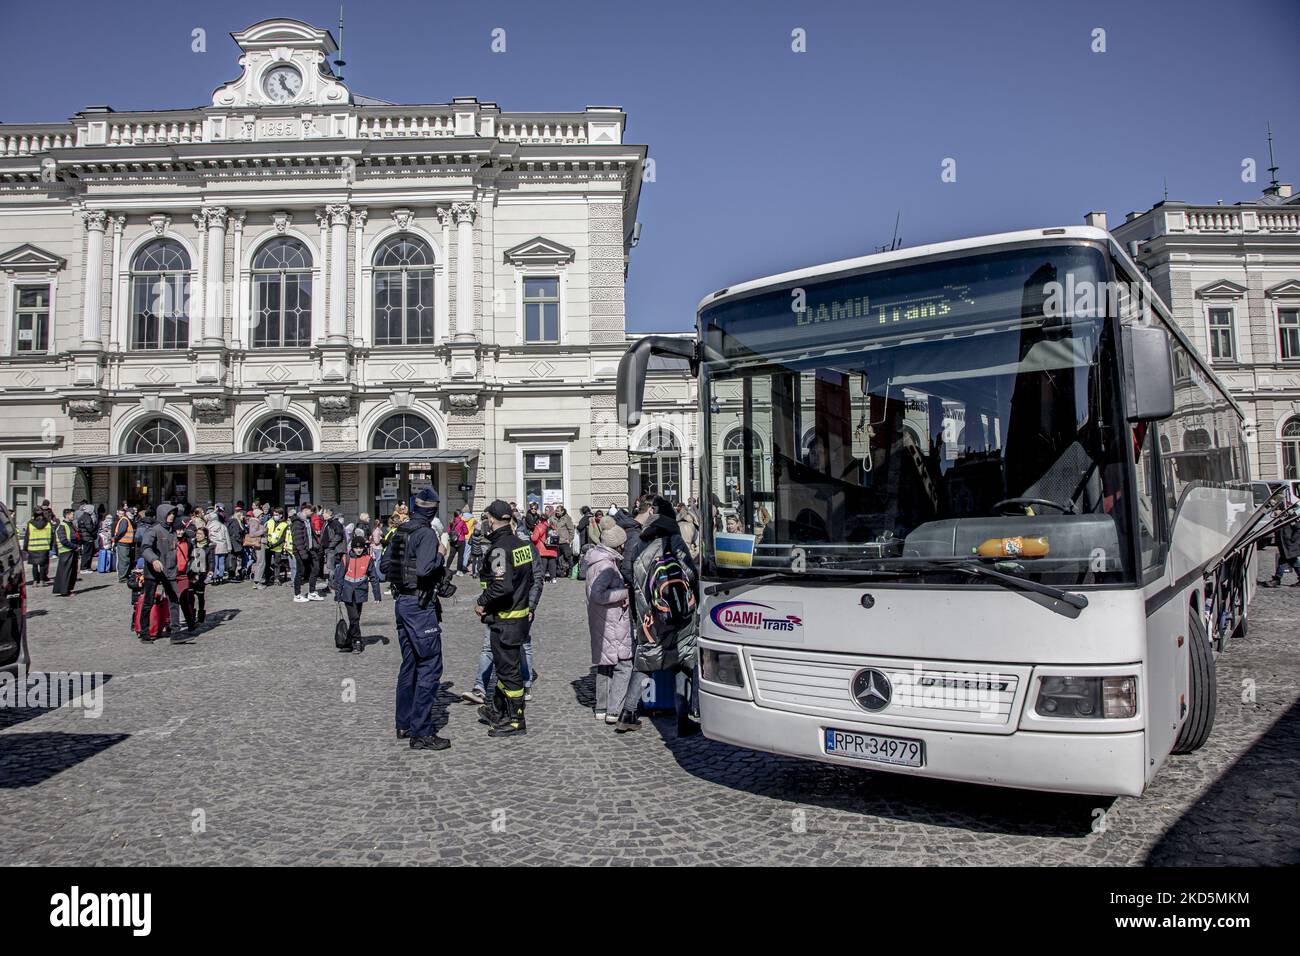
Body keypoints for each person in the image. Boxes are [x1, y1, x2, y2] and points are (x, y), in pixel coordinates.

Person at [617, 496, 701, 738]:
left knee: (646, 660)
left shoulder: (640, 545)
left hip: (649, 616)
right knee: (686, 660)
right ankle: (688, 716)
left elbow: (631, 577)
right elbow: (690, 574)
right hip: (678, 614)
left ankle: (627, 714)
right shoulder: (673, 541)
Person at [381, 491, 449, 751]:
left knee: (409, 663)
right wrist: (440, 554)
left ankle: (404, 722)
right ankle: (422, 731)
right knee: (430, 666)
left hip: (402, 603)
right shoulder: (426, 534)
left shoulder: (400, 532)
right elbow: (424, 569)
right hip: (420, 606)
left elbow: (384, 566)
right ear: (432, 511)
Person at [475, 499, 536, 738]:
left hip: (506, 619)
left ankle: (515, 721)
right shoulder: (520, 544)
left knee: (509, 672)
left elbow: (501, 586)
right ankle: (499, 711)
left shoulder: (500, 548)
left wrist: (482, 601)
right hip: (518, 616)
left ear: (491, 520)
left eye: (487, 519)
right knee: (505, 669)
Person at [584, 523, 633, 724]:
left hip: (601, 619)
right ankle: (614, 710)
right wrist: (624, 593)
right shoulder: (606, 565)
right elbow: (598, 594)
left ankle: (602, 708)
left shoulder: (597, 560)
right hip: (612, 621)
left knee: (605, 664)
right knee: (624, 664)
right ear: (617, 545)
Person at [135, 504, 197, 642]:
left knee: (174, 600)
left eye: (173, 514)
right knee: (148, 601)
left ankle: (175, 633)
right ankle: (145, 632)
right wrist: (154, 560)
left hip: (170, 570)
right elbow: (145, 548)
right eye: (169, 514)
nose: (172, 516)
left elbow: (191, 532)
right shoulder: (154, 530)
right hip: (153, 571)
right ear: (162, 514)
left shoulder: (173, 530)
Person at [333, 532, 382, 654]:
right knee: (354, 617)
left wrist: (377, 595)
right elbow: (339, 578)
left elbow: (374, 577)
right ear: (352, 548)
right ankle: (357, 642)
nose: (359, 550)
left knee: (356, 618)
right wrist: (337, 594)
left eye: (361, 548)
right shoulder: (346, 558)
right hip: (347, 593)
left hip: (360, 593)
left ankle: (348, 642)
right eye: (356, 547)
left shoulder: (367, 559)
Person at [289, 503, 323, 603]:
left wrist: (317, 546)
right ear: (306, 510)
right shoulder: (297, 522)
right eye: (311, 511)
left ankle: (312, 592)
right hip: (300, 551)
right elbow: (298, 539)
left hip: (310, 549)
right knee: (301, 571)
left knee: (315, 568)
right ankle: (297, 594)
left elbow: (311, 536)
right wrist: (303, 553)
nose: (312, 513)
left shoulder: (307, 521)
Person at [1263, 516, 1300, 587]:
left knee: (1285, 561)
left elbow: (1298, 528)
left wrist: (1292, 539)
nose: (1275, 512)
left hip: (1290, 545)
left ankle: (1277, 579)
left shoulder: (1290, 517)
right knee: (1291, 561)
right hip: (1284, 545)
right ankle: (1277, 579)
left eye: (1277, 510)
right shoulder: (1279, 519)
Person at [52, 507, 79, 596]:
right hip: (66, 551)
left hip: (72, 551)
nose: (73, 516)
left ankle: (69, 589)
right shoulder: (62, 526)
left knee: (72, 572)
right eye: (72, 514)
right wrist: (75, 546)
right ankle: (65, 590)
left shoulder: (71, 525)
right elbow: (63, 540)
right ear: (67, 515)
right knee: (66, 572)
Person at [23, 506, 53, 586]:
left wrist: (25, 548)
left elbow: (27, 536)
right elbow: (51, 535)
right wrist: (50, 546)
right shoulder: (48, 523)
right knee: (43, 565)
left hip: (32, 547)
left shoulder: (30, 523)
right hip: (44, 547)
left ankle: (35, 581)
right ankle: (42, 581)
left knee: (35, 565)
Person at [320, 507, 346, 593]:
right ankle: (330, 585)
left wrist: (330, 546)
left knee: (332, 569)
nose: (322, 514)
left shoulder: (335, 523)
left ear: (328, 514)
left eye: (324, 513)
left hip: (334, 550)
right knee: (330, 568)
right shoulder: (327, 522)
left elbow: (338, 535)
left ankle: (333, 586)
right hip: (329, 549)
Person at [531, 508, 558, 583]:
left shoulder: (539, 526)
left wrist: (531, 536)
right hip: (552, 548)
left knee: (543, 564)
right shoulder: (552, 526)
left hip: (543, 549)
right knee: (552, 564)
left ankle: (542, 578)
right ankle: (553, 578)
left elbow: (534, 538)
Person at [112, 504, 135, 584]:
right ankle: (122, 578)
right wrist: (115, 539)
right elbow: (121, 531)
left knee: (126, 561)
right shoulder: (125, 520)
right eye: (131, 513)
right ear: (127, 513)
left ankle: (125, 576)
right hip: (123, 543)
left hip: (125, 543)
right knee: (124, 561)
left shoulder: (126, 519)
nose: (133, 515)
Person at [207, 507, 231, 583]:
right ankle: (220, 577)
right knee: (221, 563)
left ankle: (214, 577)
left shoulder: (208, 527)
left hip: (214, 546)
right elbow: (227, 537)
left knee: (215, 563)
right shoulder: (223, 526)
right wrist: (229, 547)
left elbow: (207, 537)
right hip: (223, 545)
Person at [245, 505, 266, 589]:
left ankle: (258, 580)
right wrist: (263, 530)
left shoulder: (256, 521)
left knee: (260, 563)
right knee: (261, 563)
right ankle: (257, 581)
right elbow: (252, 533)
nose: (262, 517)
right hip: (259, 544)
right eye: (261, 515)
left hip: (260, 543)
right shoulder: (255, 522)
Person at [552, 504, 575, 577]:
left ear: (562, 511)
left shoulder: (567, 518)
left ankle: (571, 572)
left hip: (564, 541)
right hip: (556, 542)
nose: (556, 512)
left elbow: (571, 530)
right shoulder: (553, 517)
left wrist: (570, 539)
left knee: (568, 557)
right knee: (556, 558)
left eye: (558, 511)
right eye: (556, 510)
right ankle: (558, 572)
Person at [76, 502, 97, 572]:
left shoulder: (82, 516)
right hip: (88, 538)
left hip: (84, 537)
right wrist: (95, 530)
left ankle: (86, 567)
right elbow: (90, 528)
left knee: (87, 553)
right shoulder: (87, 517)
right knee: (87, 553)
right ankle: (84, 568)